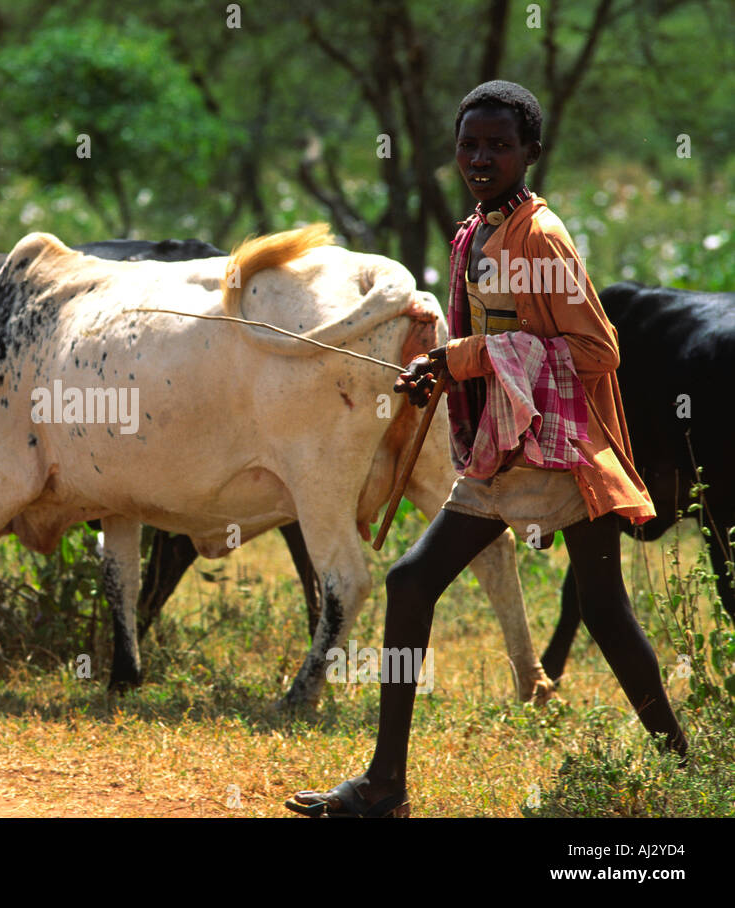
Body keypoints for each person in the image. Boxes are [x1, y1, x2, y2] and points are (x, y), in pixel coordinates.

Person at [284, 80, 687, 818]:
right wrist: (440, 365)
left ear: (530, 152)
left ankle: (686, 770)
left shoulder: (541, 235)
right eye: (470, 145)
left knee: (604, 611)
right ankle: (387, 786)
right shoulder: (472, 232)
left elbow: (599, 350)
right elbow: (481, 344)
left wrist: (469, 357)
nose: (481, 157)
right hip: (501, 449)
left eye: (499, 145)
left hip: (562, 450)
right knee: (410, 584)